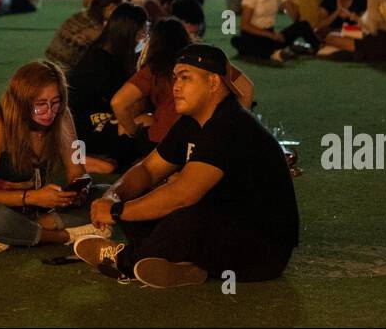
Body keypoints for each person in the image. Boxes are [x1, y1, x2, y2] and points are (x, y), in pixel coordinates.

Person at [75, 44, 298, 287]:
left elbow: (183, 195)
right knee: (141, 196)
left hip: (263, 252)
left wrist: (118, 212)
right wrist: (114, 197)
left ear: (213, 83)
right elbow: (148, 169)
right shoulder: (192, 122)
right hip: (224, 228)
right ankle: (188, 268)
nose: (176, 87)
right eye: (175, 78)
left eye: (185, 78)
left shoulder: (229, 125)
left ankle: (122, 260)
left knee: (186, 211)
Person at [0, 61, 98, 251]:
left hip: (39, 210)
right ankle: (63, 236)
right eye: (40, 104)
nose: (49, 112)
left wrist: (78, 190)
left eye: (55, 102)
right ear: (21, 102)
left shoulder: (63, 116)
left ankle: (18, 233)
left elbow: (78, 170)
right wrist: (32, 197)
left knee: (107, 195)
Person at [115, 20, 254, 148]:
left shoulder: (154, 68)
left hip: (165, 139)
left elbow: (119, 102)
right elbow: (247, 89)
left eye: (185, 78)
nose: (177, 86)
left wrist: (134, 133)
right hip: (204, 138)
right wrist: (233, 126)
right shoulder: (206, 60)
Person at [68, 3, 150, 172]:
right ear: (127, 34)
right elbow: (127, 106)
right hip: (87, 129)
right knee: (148, 123)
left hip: (99, 122)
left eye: (147, 31)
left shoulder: (112, 56)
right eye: (142, 32)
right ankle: (78, 157)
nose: (146, 37)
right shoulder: (100, 63)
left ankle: (109, 160)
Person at [46, 0, 124, 72]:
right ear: (111, 7)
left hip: (50, 64)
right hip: (65, 73)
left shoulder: (81, 16)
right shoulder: (95, 30)